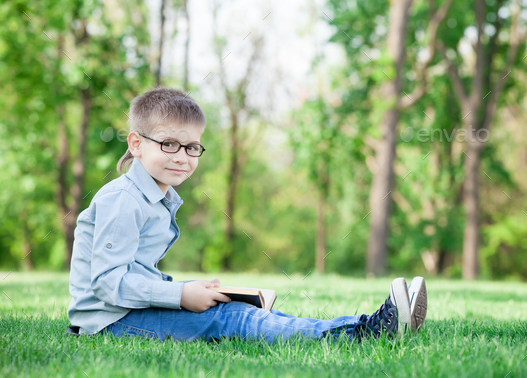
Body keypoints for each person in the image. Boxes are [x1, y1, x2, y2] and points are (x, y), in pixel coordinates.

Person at [66, 87, 428, 343]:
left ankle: (365, 327)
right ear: (136, 144)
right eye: (169, 144)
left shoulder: (158, 197)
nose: (182, 156)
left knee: (257, 315)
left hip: (126, 311)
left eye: (192, 147)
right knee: (232, 319)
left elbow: (135, 273)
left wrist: (187, 290)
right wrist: (179, 294)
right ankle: (365, 332)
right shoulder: (123, 199)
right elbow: (107, 283)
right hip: (108, 322)